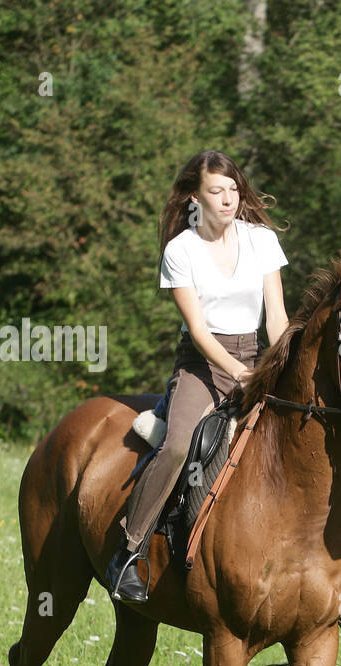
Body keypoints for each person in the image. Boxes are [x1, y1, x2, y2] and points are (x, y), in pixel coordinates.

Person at [106, 150, 289, 602]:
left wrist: (281, 364)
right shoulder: (181, 250)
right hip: (201, 365)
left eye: (232, 189)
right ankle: (128, 553)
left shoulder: (261, 240)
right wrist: (237, 373)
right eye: (216, 191)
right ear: (195, 196)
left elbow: (277, 320)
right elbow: (200, 331)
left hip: (257, 354)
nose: (228, 199)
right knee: (179, 445)